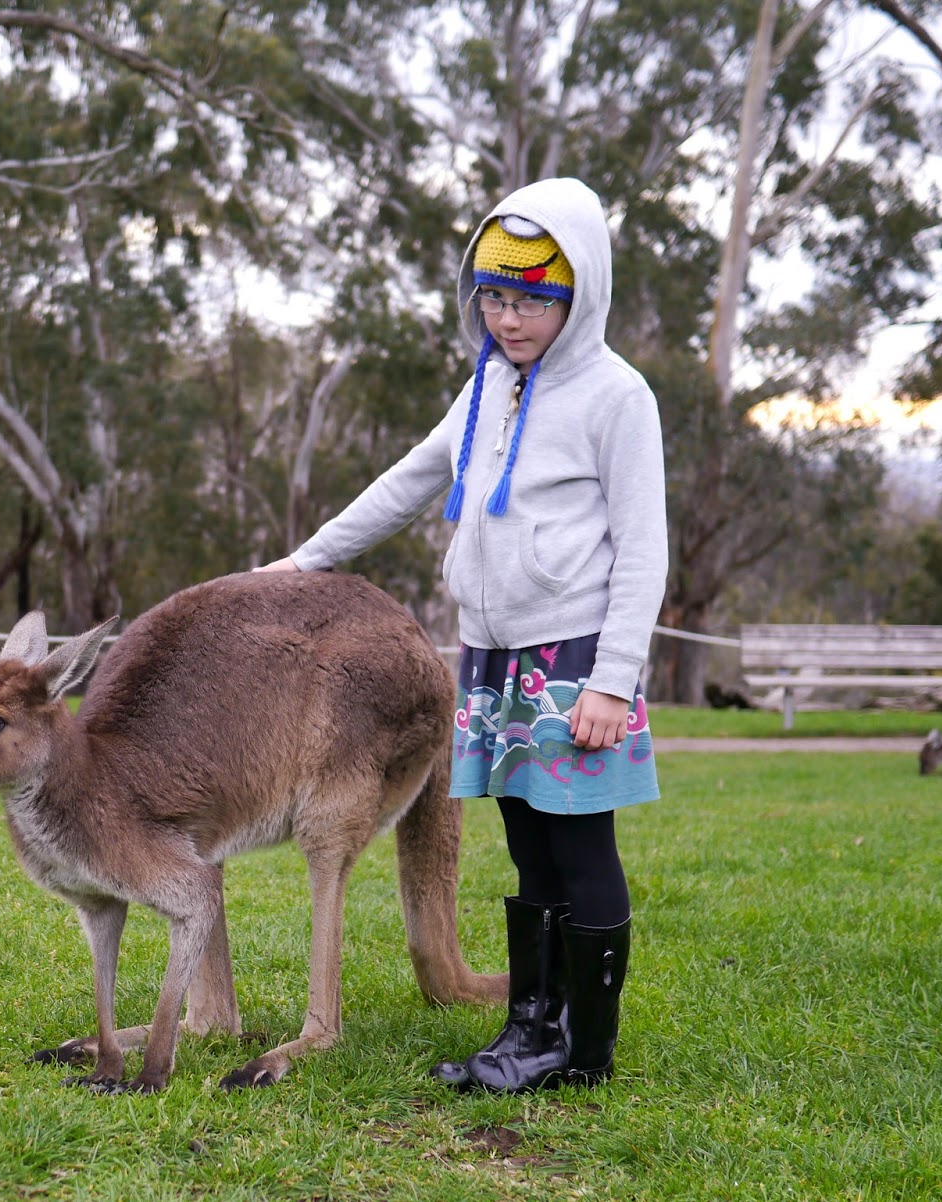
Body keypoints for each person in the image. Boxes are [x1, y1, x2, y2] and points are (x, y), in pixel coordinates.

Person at [257, 176, 667, 1093]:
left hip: (574, 659)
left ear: (580, 292)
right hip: (495, 657)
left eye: (532, 301)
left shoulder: (617, 397)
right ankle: (532, 1029)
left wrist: (613, 680)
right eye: (493, 297)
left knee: (579, 847)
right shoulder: (488, 385)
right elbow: (408, 482)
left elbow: (645, 547)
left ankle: (585, 1052)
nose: (508, 319)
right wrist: (302, 564)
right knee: (527, 846)